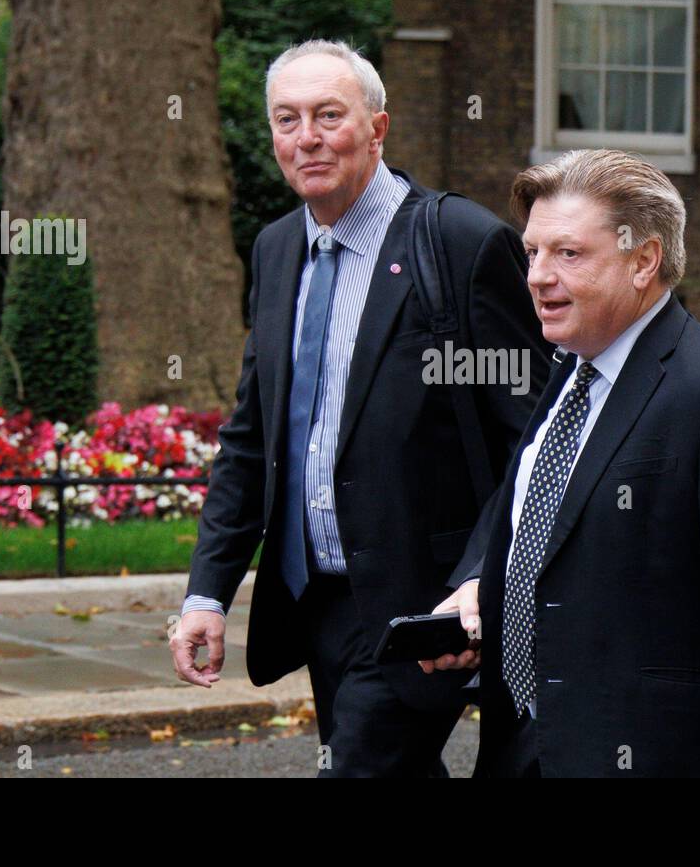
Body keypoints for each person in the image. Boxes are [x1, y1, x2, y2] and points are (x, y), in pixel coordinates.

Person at [171, 39, 550, 776]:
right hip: (319, 602)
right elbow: (252, 437)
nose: (306, 137)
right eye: (287, 119)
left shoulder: (461, 242)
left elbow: (530, 440)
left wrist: (480, 578)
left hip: (425, 605)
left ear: (376, 129)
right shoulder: (278, 248)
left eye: (328, 115)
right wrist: (207, 594)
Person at [423, 149, 700, 777]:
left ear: (644, 261)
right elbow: (545, 526)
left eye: (568, 254)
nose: (537, 276)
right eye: (532, 252)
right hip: (520, 750)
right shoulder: (569, 370)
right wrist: (481, 590)